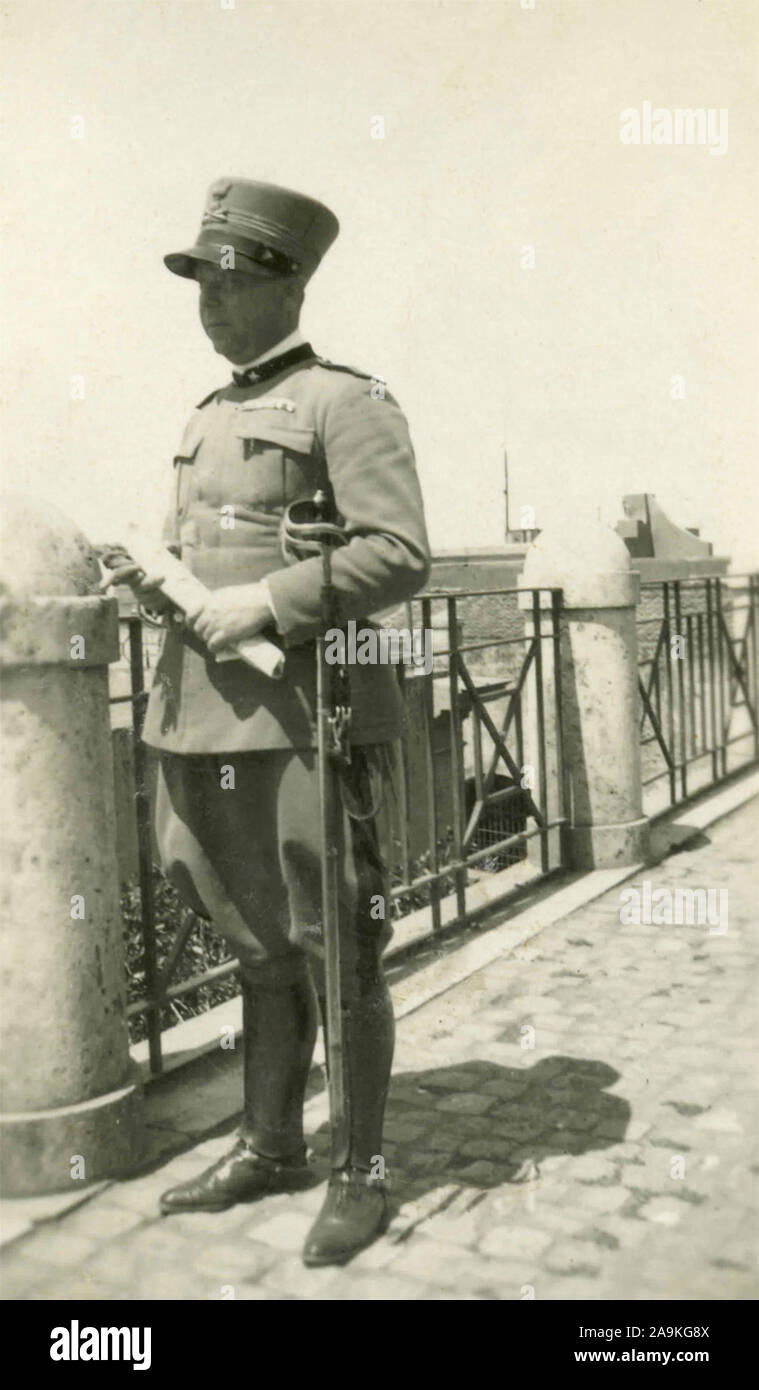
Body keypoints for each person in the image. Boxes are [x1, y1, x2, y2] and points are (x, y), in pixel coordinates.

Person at [108, 177, 430, 1266]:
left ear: (288, 283)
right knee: (254, 946)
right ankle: (272, 1143)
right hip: (201, 720)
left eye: (232, 278)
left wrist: (273, 603)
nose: (209, 299)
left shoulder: (351, 400)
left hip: (305, 717)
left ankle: (362, 1170)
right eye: (199, 278)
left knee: (338, 946)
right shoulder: (204, 416)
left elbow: (398, 551)